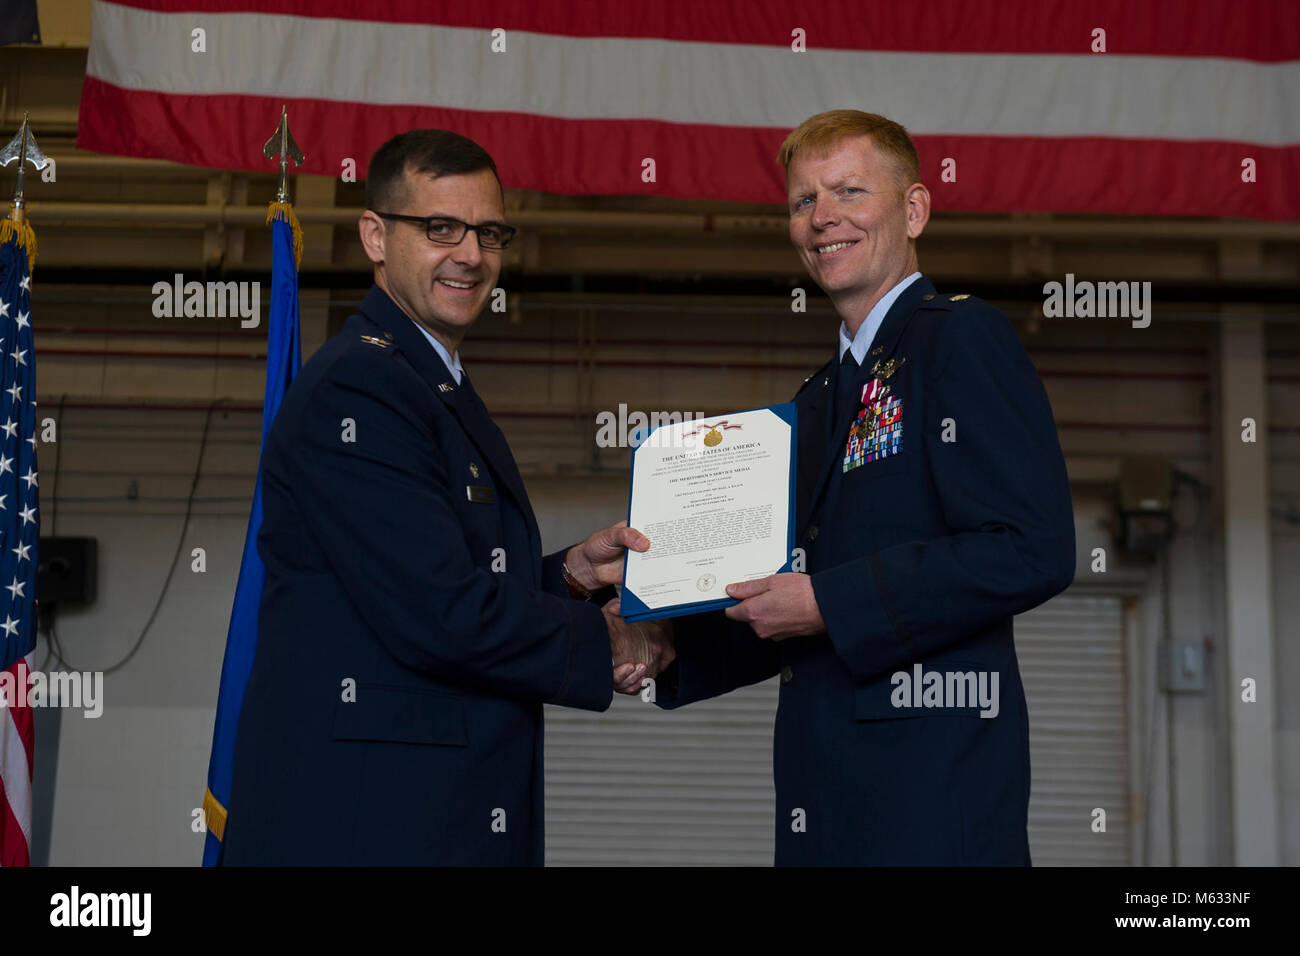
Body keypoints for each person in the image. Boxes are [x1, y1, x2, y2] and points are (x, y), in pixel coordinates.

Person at [221, 129, 673, 865]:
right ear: (375, 235)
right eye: (440, 228)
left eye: (489, 231)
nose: (471, 253)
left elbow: (438, 578)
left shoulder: (424, 380)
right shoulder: (361, 387)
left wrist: (569, 577)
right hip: (372, 825)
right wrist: (618, 641)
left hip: (425, 814)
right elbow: (441, 611)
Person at [654, 110, 1076, 865]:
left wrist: (825, 603)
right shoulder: (816, 398)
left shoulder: (960, 339)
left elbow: (1030, 549)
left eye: (849, 191)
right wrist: (662, 645)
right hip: (823, 801)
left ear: (913, 209)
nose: (823, 219)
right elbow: (785, 601)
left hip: (931, 807)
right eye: (802, 201)